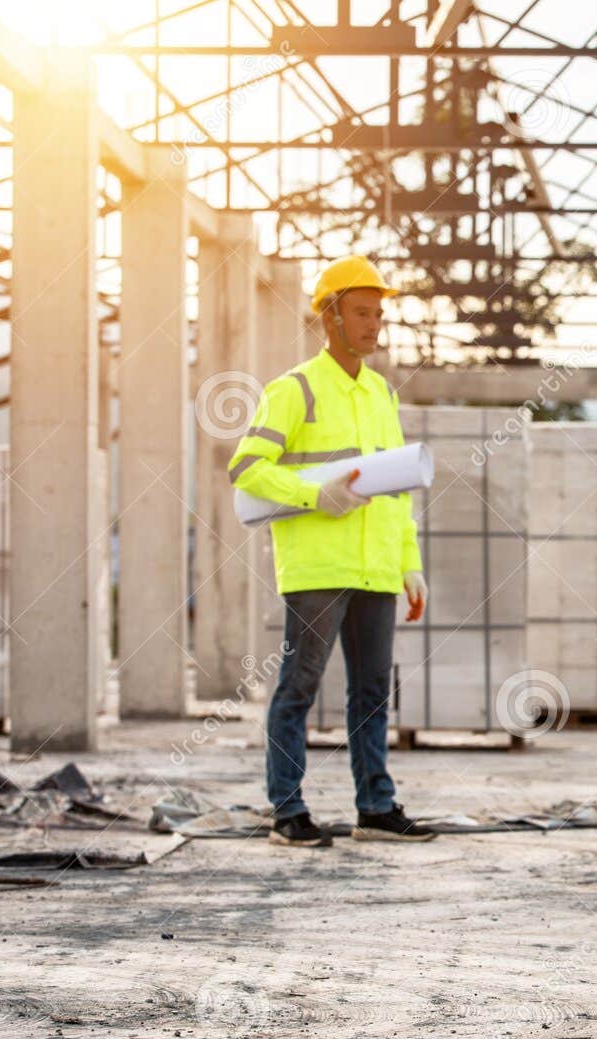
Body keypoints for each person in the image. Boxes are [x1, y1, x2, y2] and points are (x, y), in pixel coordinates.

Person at [227, 255, 434, 848]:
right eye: (362, 313)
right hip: (318, 565)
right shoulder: (294, 390)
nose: (374, 325)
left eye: (379, 314)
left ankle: (376, 807)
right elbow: (246, 468)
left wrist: (409, 565)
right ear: (330, 317)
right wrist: (314, 495)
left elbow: (395, 490)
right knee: (299, 687)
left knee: (372, 694)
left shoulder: (381, 395)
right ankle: (287, 810)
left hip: (375, 569)